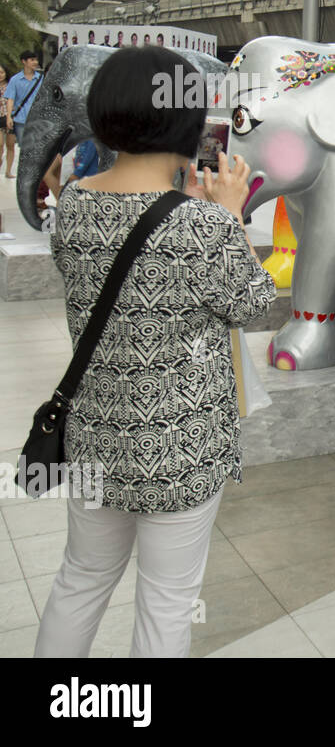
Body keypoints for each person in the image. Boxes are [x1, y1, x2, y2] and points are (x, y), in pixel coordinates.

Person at [34, 46, 276, 658]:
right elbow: (252, 303)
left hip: (94, 434)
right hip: (180, 447)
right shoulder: (202, 226)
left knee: (80, 579)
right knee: (166, 601)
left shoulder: (76, 205)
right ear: (186, 121)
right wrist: (229, 216)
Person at [4, 50, 62, 196]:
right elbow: (10, 99)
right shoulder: (15, 80)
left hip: (39, 120)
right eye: (32, 60)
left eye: (35, 60)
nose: (35, 62)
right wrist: (9, 117)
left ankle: (34, 182)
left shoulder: (41, 78)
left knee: (38, 151)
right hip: (21, 120)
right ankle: (26, 181)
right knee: (26, 151)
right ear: (24, 61)